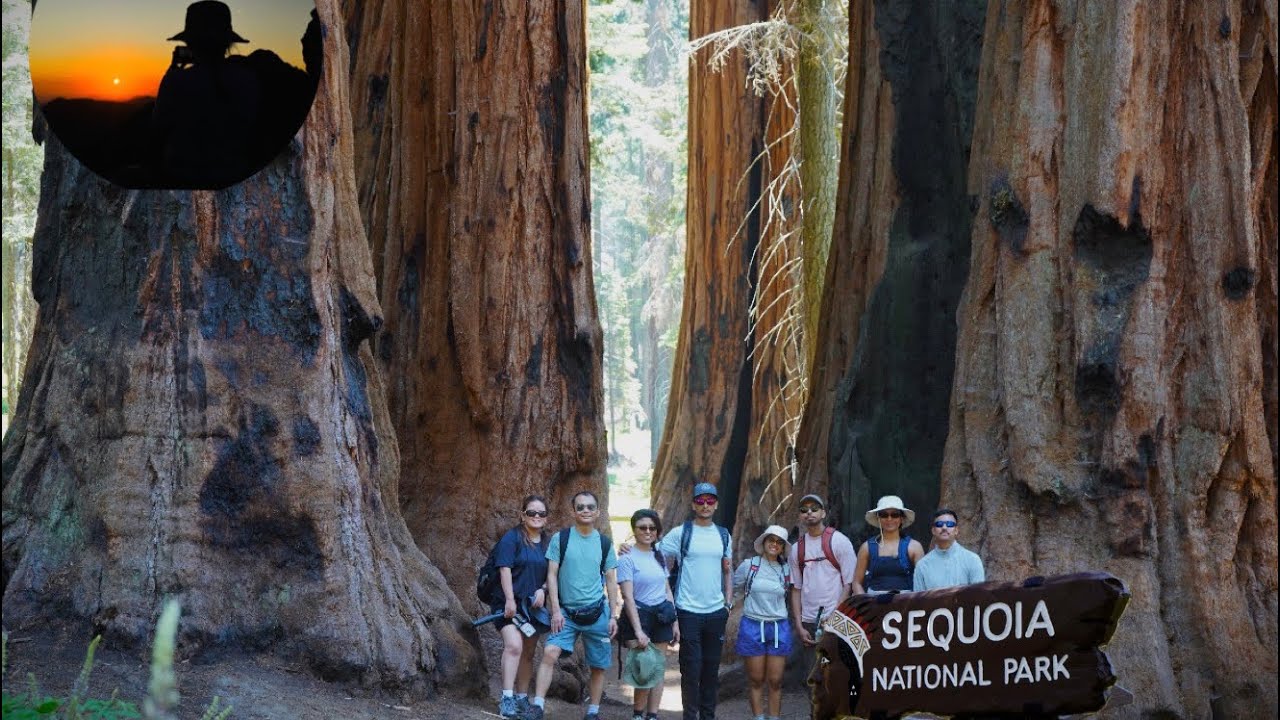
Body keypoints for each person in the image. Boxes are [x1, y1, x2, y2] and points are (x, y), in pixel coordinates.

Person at [153, 1, 319, 188]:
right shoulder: (248, 78)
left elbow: (159, 126)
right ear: (228, 42)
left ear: (190, 43)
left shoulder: (176, 81)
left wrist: (173, 68)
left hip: (182, 176)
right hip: (235, 175)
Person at [528, 491, 619, 720]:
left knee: (598, 665)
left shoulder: (605, 543)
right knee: (550, 652)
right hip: (566, 613)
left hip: (598, 613)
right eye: (580, 507)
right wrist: (556, 610)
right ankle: (537, 705)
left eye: (590, 507)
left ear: (597, 511)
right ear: (573, 511)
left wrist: (613, 616)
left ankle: (593, 711)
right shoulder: (562, 539)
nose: (585, 511)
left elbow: (610, 579)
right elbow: (552, 575)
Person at [655, 482, 733, 720]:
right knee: (691, 669)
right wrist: (631, 548)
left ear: (716, 504)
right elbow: (655, 553)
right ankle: (690, 716)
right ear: (693, 505)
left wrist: (727, 604)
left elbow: (728, 570)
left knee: (711, 670)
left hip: (716, 611)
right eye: (700, 501)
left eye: (710, 501)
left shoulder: (723, 534)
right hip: (688, 611)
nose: (705, 505)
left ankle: (708, 716)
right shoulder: (682, 532)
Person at [491, 495, 552, 719]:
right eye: (531, 512)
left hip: (533, 608)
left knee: (528, 652)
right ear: (522, 515)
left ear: (546, 518)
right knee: (514, 646)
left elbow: (553, 574)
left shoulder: (548, 542)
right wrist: (509, 600)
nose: (536, 517)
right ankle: (506, 698)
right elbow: (504, 568)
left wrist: (543, 589)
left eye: (541, 513)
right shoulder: (512, 538)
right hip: (508, 604)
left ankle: (521, 697)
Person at [617, 509, 678, 720]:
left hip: (662, 614)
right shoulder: (626, 558)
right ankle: (637, 714)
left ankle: (652, 715)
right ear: (634, 530)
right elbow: (628, 597)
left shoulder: (658, 555)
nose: (648, 531)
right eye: (642, 527)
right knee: (644, 667)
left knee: (658, 667)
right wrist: (638, 631)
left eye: (652, 528)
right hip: (639, 615)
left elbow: (667, 589)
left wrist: (675, 622)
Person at [733, 525, 793, 720]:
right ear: (764, 542)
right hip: (752, 625)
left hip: (778, 626)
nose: (774, 544)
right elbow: (734, 588)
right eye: (771, 540)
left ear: (783, 547)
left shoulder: (786, 569)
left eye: (779, 542)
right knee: (756, 679)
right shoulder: (750, 565)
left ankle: (774, 717)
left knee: (775, 680)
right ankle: (759, 717)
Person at [788, 494, 857, 647]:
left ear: (823, 513)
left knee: (835, 667)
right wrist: (799, 625)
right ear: (800, 516)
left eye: (814, 509)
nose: (809, 513)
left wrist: (835, 614)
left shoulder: (840, 541)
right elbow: (796, 589)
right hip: (808, 621)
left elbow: (849, 583)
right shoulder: (796, 549)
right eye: (804, 510)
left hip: (838, 617)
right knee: (812, 668)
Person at [850, 495, 924, 594]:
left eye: (894, 515)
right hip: (874, 604)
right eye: (884, 515)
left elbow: (923, 582)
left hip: (906, 604)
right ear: (878, 518)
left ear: (901, 518)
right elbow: (856, 583)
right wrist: (865, 603)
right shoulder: (866, 547)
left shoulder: (914, 547)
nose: (889, 519)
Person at [912, 508, 985, 591]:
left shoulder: (972, 560)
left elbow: (979, 596)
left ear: (956, 530)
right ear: (933, 530)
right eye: (939, 524)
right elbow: (918, 601)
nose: (944, 527)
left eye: (950, 524)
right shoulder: (922, 565)